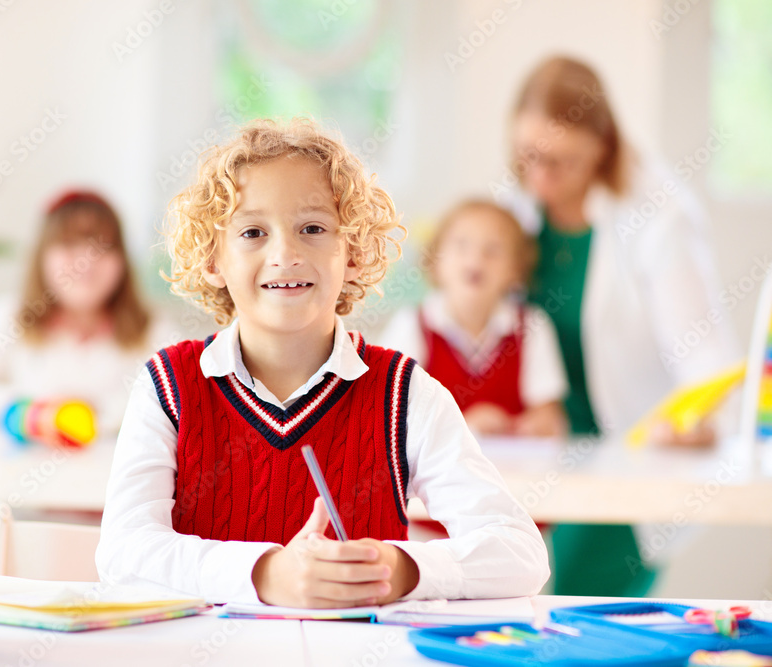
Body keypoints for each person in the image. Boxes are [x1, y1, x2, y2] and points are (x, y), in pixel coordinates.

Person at [97, 119, 549, 606]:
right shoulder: (168, 387)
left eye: (312, 228)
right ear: (213, 259)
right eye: (252, 232)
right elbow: (123, 554)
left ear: (351, 252)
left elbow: (521, 553)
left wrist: (402, 568)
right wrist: (268, 575)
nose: (285, 254)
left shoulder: (405, 393)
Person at [496, 56, 740, 596]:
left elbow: (705, 353)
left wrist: (697, 418)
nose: (541, 177)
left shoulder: (659, 216)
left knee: (580, 622)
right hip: (532, 454)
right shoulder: (512, 210)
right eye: (528, 157)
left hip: (623, 455)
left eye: (561, 162)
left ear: (601, 148)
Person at [0, 190, 169, 433]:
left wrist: (102, 411)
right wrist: (31, 410)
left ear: (122, 260)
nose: (86, 260)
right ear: (42, 257)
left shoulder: (152, 329)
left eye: (102, 247)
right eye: (69, 244)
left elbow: (185, 402)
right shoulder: (9, 318)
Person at [379, 199, 568, 437]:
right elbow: (389, 416)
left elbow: (549, 417)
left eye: (493, 250)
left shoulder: (532, 326)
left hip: (515, 470)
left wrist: (526, 427)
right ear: (436, 262)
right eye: (461, 245)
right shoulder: (411, 325)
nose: (476, 259)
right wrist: (465, 426)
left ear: (516, 270)